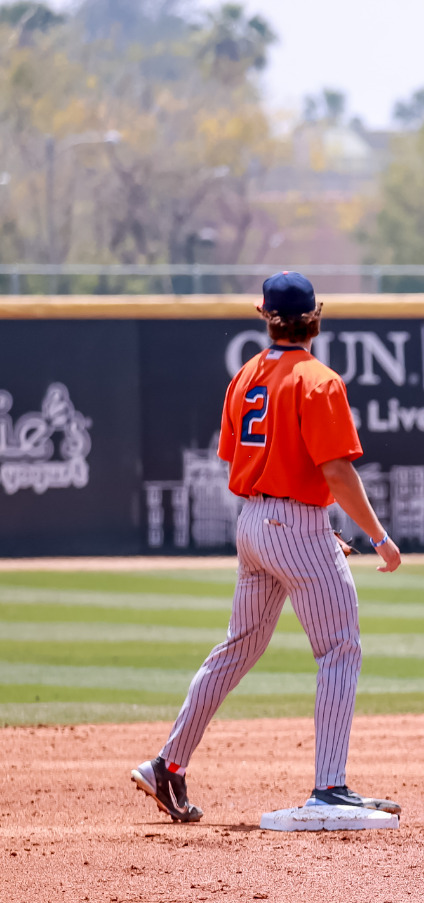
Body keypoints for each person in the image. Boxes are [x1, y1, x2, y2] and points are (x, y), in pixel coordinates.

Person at [130, 271, 403, 823]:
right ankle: (329, 787)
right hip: (294, 523)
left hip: (253, 521)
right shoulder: (319, 380)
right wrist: (378, 537)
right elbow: (336, 472)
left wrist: (297, 523)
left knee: (238, 647)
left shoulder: (245, 377)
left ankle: (167, 764)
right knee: (339, 649)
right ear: (315, 320)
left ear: (266, 319)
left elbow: (236, 457)